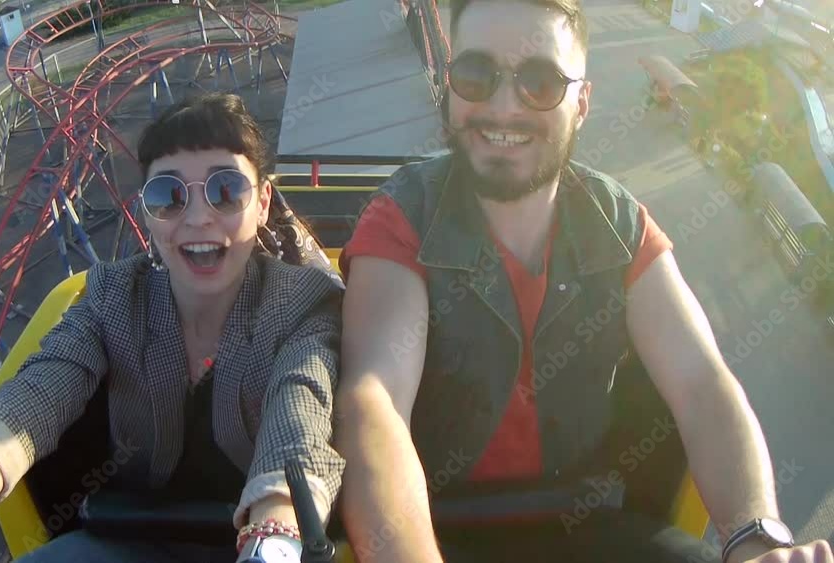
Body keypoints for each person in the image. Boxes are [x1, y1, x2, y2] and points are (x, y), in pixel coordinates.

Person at [332, 1, 834, 562]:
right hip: (439, 527)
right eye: (476, 75)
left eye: (540, 82)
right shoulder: (405, 215)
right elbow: (374, 402)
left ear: (584, 103)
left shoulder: (617, 225)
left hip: (587, 526)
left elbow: (701, 383)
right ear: (450, 88)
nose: (502, 107)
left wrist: (754, 537)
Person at [0, 93, 345, 563]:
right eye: (169, 196)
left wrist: (275, 539)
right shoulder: (116, 296)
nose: (198, 218)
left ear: (262, 202)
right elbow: (33, 397)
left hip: (251, 543)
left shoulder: (299, 304)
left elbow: (298, 417)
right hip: (132, 536)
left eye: (225, 191)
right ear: (146, 212)